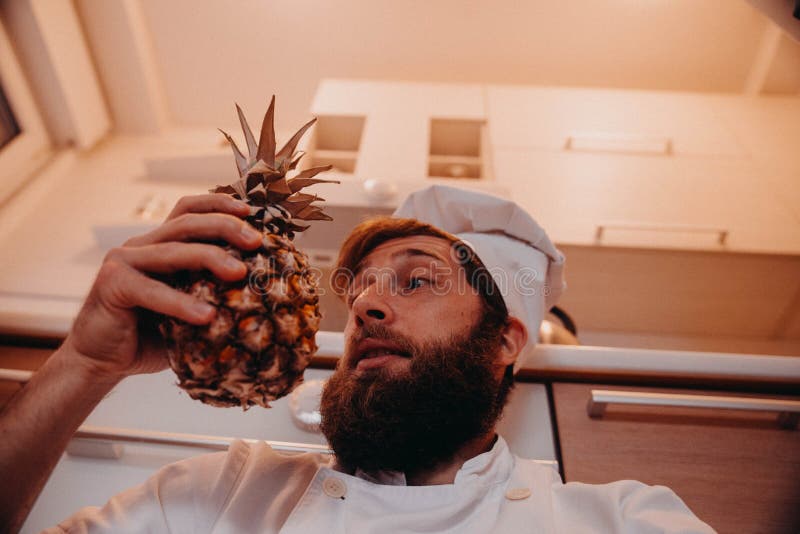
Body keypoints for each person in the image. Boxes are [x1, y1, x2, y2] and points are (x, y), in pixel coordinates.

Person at [0, 185, 715, 533]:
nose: (367, 308)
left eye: (416, 280)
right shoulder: (226, 492)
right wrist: (83, 365)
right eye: (361, 291)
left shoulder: (618, 522)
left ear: (505, 342)